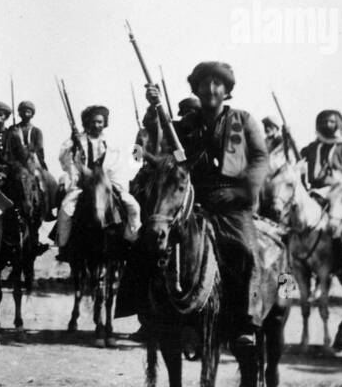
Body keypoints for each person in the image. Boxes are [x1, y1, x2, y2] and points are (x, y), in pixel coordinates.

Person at [143, 61, 268, 347]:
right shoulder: (186, 125)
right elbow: (161, 148)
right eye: (204, 84)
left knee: (248, 251)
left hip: (231, 201)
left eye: (217, 84)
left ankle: (247, 321)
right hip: (192, 198)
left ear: (227, 90)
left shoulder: (243, 120)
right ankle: (147, 313)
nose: (210, 89)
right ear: (196, 89)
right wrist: (153, 111)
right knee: (148, 242)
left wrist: (240, 192)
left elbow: (260, 159)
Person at [54, 104, 141, 254]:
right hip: (83, 185)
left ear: (104, 123)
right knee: (66, 209)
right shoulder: (76, 141)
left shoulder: (111, 143)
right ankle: (63, 244)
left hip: (107, 183)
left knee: (133, 206)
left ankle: (130, 238)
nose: (96, 125)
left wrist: (109, 182)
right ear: (87, 122)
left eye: (100, 122)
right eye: (93, 122)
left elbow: (117, 165)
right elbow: (66, 162)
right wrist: (74, 147)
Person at [299, 109, 342, 191]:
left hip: (337, 191)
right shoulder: (313, 147)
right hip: (314, 190)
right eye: (324, 122)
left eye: (332, 122)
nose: (327, 124)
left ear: (338, 124)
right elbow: (297, 159)